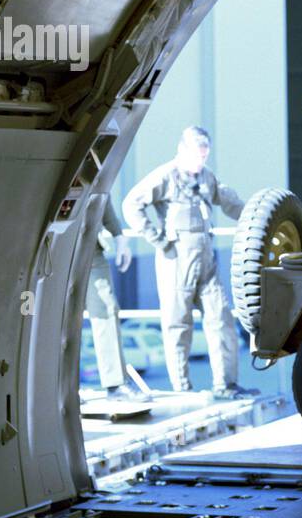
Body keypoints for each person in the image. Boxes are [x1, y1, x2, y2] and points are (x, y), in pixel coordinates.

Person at [123, 127, 257, 400]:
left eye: (204, 156)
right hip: (176, 259)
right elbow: (132, 204)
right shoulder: (165, 176)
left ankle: (226, 385)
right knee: (178, 325)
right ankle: (182, 389)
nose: (200, 162)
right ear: (182, 150)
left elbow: (231, 203)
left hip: (206, 259)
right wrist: (157, 239)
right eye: (197, 156)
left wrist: (256, 216)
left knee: (221, 319)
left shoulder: (207, 177)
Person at [86, 195, 149, 403]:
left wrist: (119, 237)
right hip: (54, 249)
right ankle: (58, 387)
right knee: (58, 316)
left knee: (106, 308)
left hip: (91, 249)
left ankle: (116, 384)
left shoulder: (94, 168)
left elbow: (101, 194)